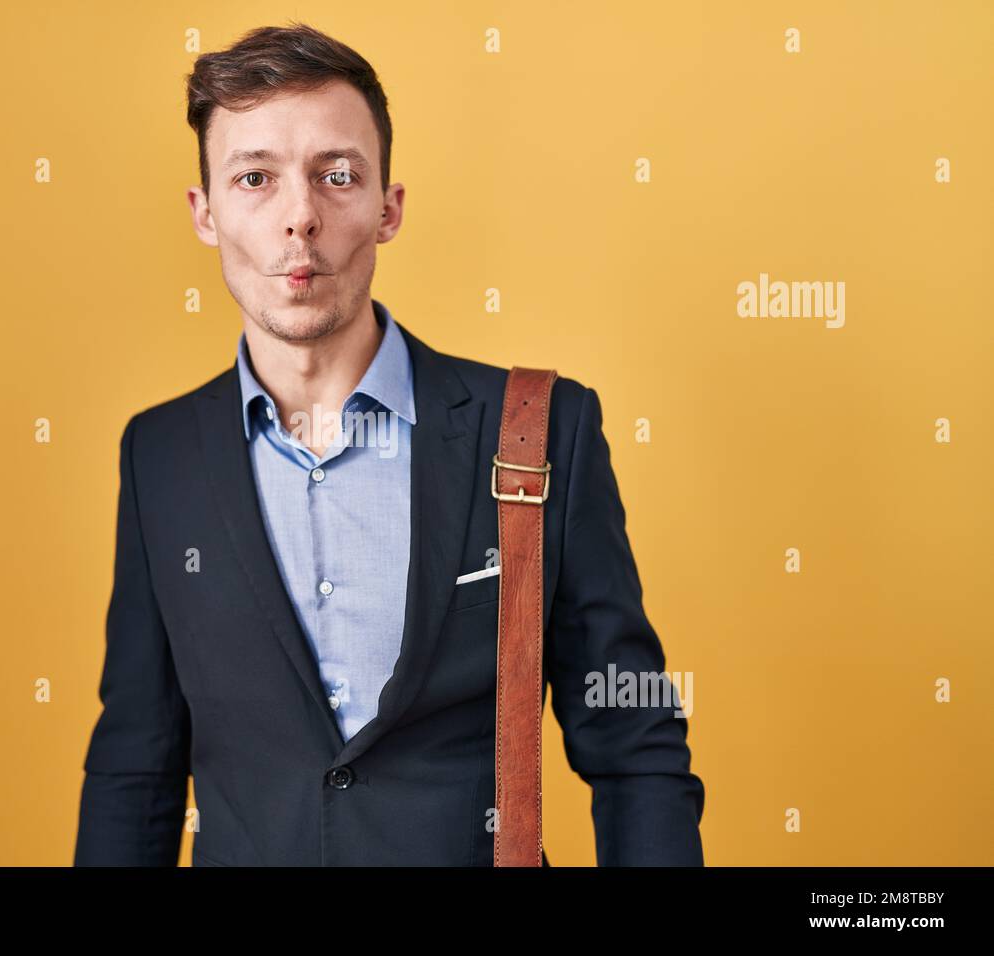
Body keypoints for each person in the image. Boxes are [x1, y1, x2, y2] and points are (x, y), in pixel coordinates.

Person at [73, 21, 704, 866]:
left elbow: (635, 743)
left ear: (388, 207)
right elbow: (134, 767)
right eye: (254, 178)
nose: (300, 217)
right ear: (205, 212)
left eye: (338, 176)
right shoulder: (160, 455)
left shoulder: (541, 428)